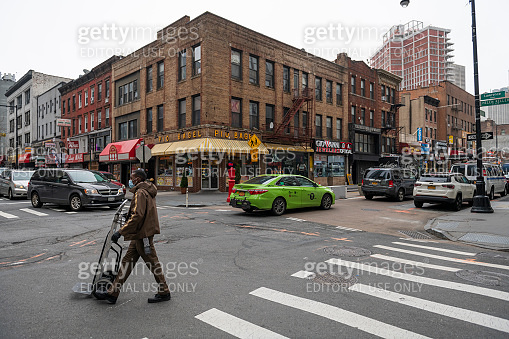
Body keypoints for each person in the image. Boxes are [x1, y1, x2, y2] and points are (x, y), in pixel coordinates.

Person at [96, 169, 171, 304]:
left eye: (132, 178)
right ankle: (112, 293)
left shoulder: (140, 192)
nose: (130, 180)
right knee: (127, 262)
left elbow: (138, 215)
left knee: (152, 263)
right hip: (141, 233)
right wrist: (128, 216)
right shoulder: (146, 190)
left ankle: (164, 291)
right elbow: (141, 212)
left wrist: (121, 232)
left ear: (138, 179)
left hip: (143, 234)